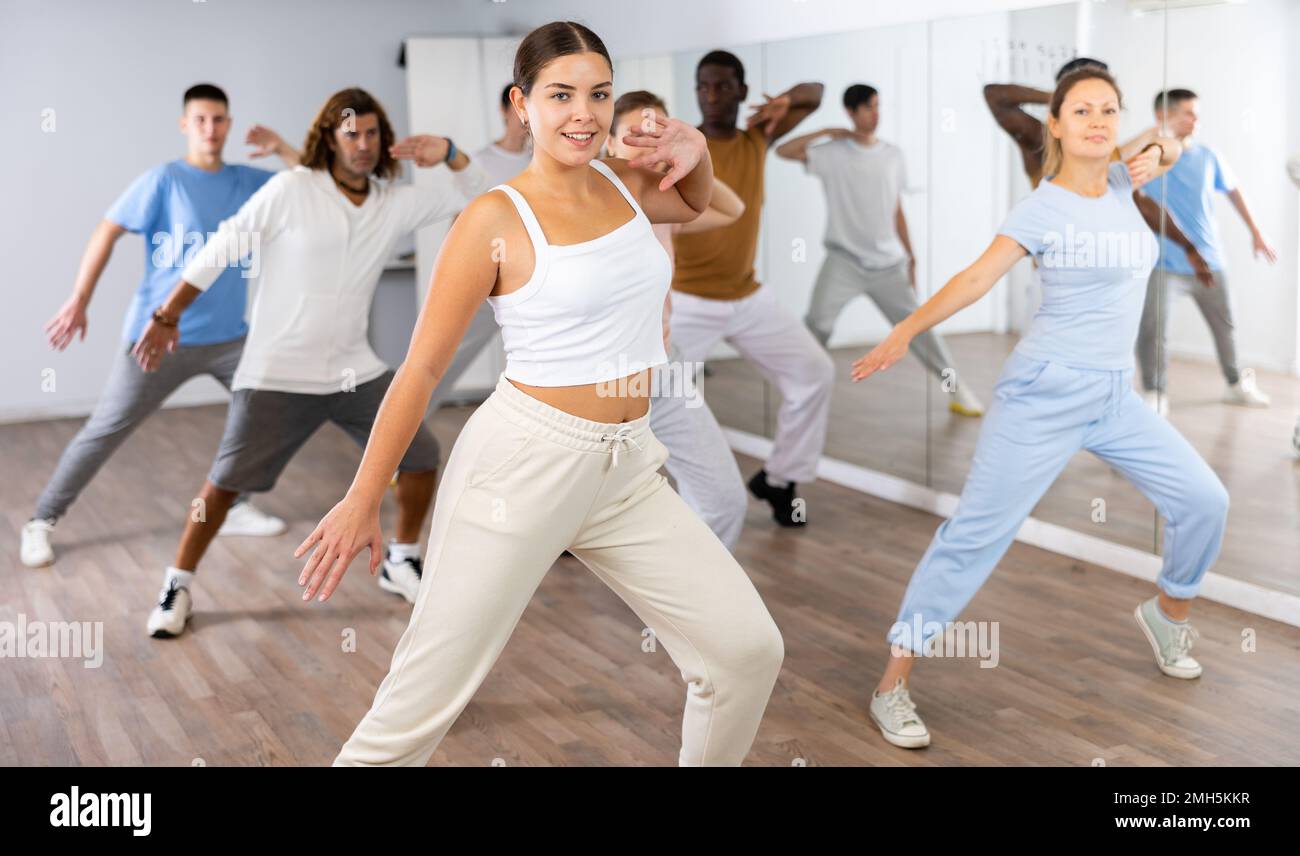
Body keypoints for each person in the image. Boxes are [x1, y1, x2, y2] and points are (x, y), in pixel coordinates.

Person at [295, 21, 784, 767]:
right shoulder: (493, 218)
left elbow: (694, 206)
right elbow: (421, 370)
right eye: (560, 95)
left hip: (626, 470)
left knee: (746, 651)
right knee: (417, 706)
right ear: (523, 104)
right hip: (520, 469)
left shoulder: (624, 184)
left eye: (598, 94)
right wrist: (366, 494)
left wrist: (700, 153)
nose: (582, 113)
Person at [854, 68, 1227, 749]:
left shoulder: (1121, 180)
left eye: (1108, 110)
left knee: (1206, 500)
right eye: (1080, 110)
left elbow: (1167, 138)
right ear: (1054, 124)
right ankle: (892, 685)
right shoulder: (1042, 207)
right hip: (1043, 395)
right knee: (973, 537)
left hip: (1114, 396)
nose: (1097, 120)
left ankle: (1168, 613)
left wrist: (1163, 151)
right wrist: (904, 332)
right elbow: (975, 277)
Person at [132, 87, 486, 637]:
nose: (363, 144)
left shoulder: (394, 201)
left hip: (354, 370)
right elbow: (222, 247)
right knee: (223, 487)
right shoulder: (293, 189)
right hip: (276, 371)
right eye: (352, 133)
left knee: (420, 455)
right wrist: (166, 315)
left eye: (371, 134)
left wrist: (451, 152)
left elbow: (484, 196)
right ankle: (177, 583)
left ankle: (401, 558)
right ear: (330, 137)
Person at [20, 83, 297, 569]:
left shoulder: (247, 180)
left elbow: (314, 183)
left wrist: (282, 149)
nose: (211, 129)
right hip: (158, 337)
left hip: (231, 337)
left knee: (264, 416)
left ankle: (235, 506)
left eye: (219, 119)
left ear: (230, 125)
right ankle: (41, 520)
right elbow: (106, 231)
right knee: (105, 430)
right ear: (185, 125)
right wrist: (80, 299)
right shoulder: (163, 180)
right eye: (201, 120)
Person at [669, 50, 833, 527]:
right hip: (685, 302)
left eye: (723, 86)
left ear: (742, 91)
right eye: (704, 86)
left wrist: (784, 102)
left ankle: (780, 479)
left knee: (814, 374)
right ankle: (589, 515)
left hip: (747, 298)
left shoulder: (756, 138)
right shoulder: (685, 146)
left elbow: (815, 93)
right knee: (638, 405)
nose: (712, 95)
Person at [776, 82, 985, 417]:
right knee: (817, 326)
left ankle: (956, 389)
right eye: (868, 107)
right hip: (843, 262)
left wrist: (911, 257)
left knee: (920, 332)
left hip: (889, 266)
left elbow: (896, 209)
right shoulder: (830, 153)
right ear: (851, 112)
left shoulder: (892, 155)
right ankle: (798, 390)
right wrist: (829, 131)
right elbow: (782, 150)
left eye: (878, 106)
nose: (876, 114)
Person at [984, 57, 1217, 350]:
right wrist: (1061, 98)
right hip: (1055, 288)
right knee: (1048, 381)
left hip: (1108, 287)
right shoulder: (1040, 139)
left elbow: (1143, 204)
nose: (1097, 107)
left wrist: (1189, 246)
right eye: (1084, 99)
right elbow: (995, 95)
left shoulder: (1109, 158)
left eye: (1105, 100)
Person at [606, 89, 749, 550]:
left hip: (664, 368)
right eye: (636, 134)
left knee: (723, 500)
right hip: (601, 380)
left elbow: (732, 209)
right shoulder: (591, 205)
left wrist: (694, 153)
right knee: (586, 516)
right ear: (608, 144)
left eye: (660, 132)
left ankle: (681, 617)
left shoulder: (666, 205)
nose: (651, 144)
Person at [1136, 88, 1276, 412]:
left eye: (1196, 113)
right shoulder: (1146, 155)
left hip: (1210, 262)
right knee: (1154, 331)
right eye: (1188, 112)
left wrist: (1256, 232)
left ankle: (1234, 383)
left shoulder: (1207, 155)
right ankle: (1155, 392)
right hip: (1165, 263)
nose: (1196, 119)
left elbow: (1235, 192)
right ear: (1163, 115)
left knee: (1226, 326)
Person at [426, 83, 533, 414]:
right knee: (443, 357)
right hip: (487, 278)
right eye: (516, 111)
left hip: (529, 279)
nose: (522, 120)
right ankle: (412, 418)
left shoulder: (541, 160)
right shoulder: (482, 162)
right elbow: (461, 223)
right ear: (506, 110)